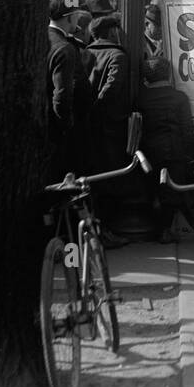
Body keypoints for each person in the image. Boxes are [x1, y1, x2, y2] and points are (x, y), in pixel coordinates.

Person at [136, 56, 194, 244]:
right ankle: (164, 230)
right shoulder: (179, 98)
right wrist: (189, 154)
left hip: (149, 151)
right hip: (173, 150)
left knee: (152, 189)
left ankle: (156, 227)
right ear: (168, 73)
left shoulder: (141, 98)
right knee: (170, 192)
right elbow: (187, 128)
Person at [86, 14, 132, 246]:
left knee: (93, 178)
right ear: (112, 32)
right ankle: (106, 231)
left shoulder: (84, 52)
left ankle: (96, 228)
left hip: (88, 126)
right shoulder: (117, 56)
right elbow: (112, 87)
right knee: (111, 178)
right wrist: (100, 107)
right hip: (111, 126)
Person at [46, 0, 90, 180]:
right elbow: (62, 97)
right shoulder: (64, 48)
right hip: (60, 134)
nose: (79, 19)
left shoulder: (43, 39)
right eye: (77, 14)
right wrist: (66, 128)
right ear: (68, 17)